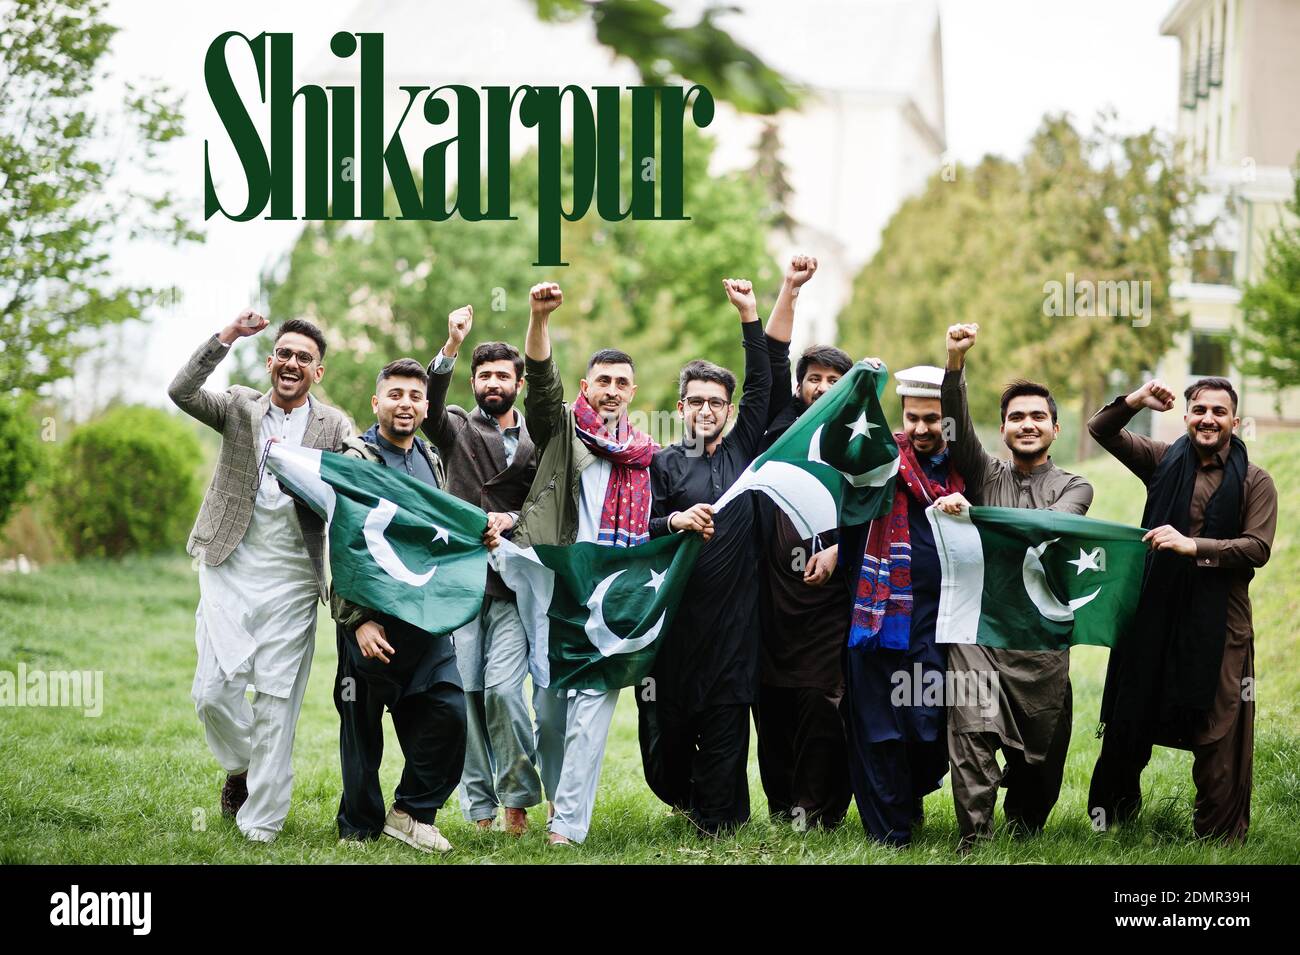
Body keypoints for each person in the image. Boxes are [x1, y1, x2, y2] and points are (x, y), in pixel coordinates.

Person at [168, 310, 351, 843]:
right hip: (228, 564)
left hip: (295, 574)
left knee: (276, 700)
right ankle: (243, 769)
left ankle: (261, 824)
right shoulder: (240, 407)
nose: (293, 363)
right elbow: (181, 390)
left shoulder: (334, 425)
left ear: (318, 372)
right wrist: (226, 335)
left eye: (305, 358)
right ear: (272, 361)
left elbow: (363, 471)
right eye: (285, 353)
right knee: (211, 693)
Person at [1086, 377, 1276, 843]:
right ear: (1186, 415)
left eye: (1218, 411)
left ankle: (1220, 833)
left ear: (1234, 419)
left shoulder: (1255, 481)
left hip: (1221, 620)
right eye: (1198, 409)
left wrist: (1193, 546)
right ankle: (1110, 821)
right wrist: (1134, 401)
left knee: (1220, 724)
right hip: (1155, 610)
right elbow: (1101, 430)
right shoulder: (1162, 458)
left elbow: (1257, 548)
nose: (1207, 418)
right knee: (1133, 709)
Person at [511, 281, 659, 846]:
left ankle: (567, 826)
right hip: (557, 589)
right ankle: (557, 802)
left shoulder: (647, 456)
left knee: (590, 715)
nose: (613, 391)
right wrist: (539, 318)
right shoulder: (562, 432)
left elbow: (660, 522)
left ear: (633, 391)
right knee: (549, 714)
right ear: (586, 387)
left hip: (613, 596)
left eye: (623, 383)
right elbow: (542, 386)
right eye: (603, 382)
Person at [937, 322, 1093, 852]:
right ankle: (974, 838)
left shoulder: (1075, 486)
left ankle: (1024, 824)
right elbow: (954, 425)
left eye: (1037, 417)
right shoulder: (982, 473)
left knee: (1040, 752)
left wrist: (975, 513)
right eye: (1016, 417)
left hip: (1042, 638)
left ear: (1054, 427)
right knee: (971, 726)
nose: (1027, 425)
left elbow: (1050, 528)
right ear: (1002, 429)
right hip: (980, 625)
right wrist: (955, 361)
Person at [638, 276, 771, 836]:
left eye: (718, 402)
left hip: (736, 624)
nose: (707, 409)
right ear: (681, 406)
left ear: (729, 408)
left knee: (725, 725)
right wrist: (675, 520)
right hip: (673, 625)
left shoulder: (744, 450)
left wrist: (750, 316)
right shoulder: (661, 464)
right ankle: (685, 796)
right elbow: (637, 530)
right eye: (697, 401)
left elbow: (764, 386)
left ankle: (719, 822)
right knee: (665, 738)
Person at [331, 358, 468, 853]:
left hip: (424, 620)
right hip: (369, 619)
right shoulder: (356, 458)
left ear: (426, 405)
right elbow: (343, 541)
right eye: (395, 394)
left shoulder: (430, 458)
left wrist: (482, 533)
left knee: (450, 712)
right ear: (376, 402)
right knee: (362, 730)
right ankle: (359, 827)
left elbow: (439, 531)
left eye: (415, 395)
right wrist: (359, 621)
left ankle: (411, 813)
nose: (405, 403)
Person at [422, 306, 542, 836]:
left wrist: (512, 518)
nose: (494, 383)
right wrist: (451, 344)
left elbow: (544, 503)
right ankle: (480, 808)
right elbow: (428, 402)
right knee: (468, 693)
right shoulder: (454, 429)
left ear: (517, 382)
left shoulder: (540, 439)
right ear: (474, 382)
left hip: (514, 584)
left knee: (504, 692)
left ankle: (517, 792)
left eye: (503, 375)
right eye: (484, 375)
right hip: (462, 581)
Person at [839, 363, 964, 847]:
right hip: (878, 620)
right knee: (879, 726)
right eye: (912, 417)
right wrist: (860, 385)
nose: (921, 428)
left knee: (926, 726)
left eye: (932, 419)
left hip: (939, 623)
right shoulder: (881, 456)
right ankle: (888, 830)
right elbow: (838, 445)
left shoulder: (963, 471)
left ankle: (909, 799)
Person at [752, 255, 854, 830]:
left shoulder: (857, 442)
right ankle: (779, 802)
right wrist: (789, 289)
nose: (821, 387)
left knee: (821, 702)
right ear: (800, 387)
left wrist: (839, 545)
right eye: (813, 378)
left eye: (833, 381)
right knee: (772, 704)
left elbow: (871, 509)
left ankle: (818, 809)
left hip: (829, 602)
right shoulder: (777, 425)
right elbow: (770, 355)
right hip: (769, 597)